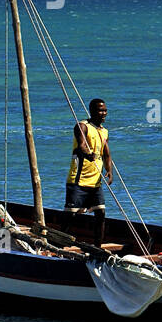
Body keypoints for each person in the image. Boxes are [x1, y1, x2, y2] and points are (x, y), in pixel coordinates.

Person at [64, 98, 113, 247]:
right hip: (79, 180)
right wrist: (88, 154)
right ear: (92, 111)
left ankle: (98, 247)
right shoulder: (82, 126)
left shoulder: (104, 131)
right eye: (100, 110)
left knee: (101, 213)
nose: (103, 113)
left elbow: (106, 154)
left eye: (105, 110)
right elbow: (82, 146)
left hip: (96, 182)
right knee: (71, 215)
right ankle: (60, 244)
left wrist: (109, 170)